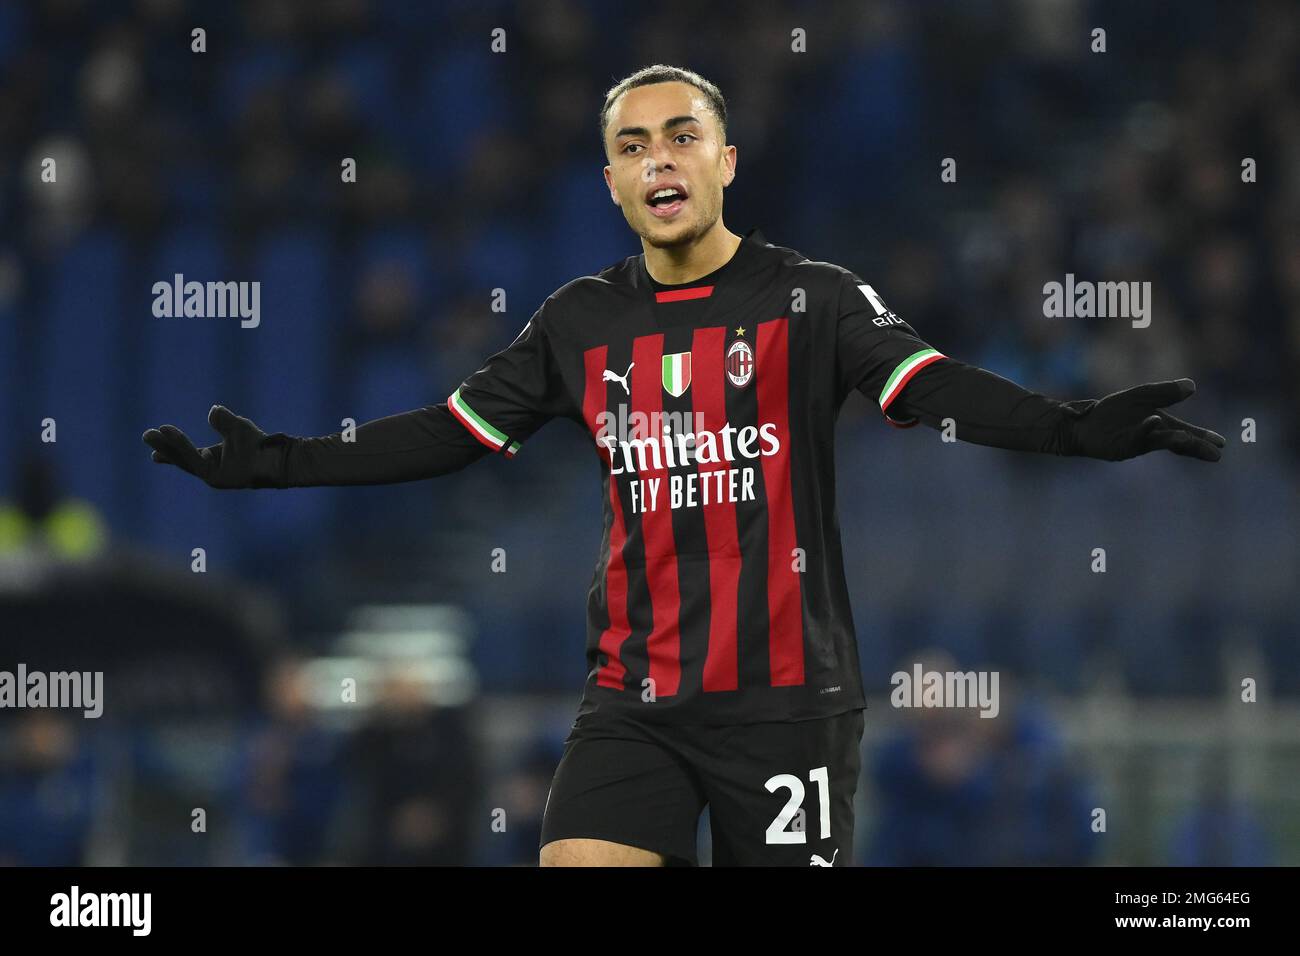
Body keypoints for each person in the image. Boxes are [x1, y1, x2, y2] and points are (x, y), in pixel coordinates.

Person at [144, 65, 1224, 867]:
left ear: (724, 160)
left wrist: (1073, 425)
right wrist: (282, 462)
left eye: (681, 133)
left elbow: (930, 385)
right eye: (631, 143)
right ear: (613, 179)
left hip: (786, 702)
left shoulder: (812, 300)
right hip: (634, 695)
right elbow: (448, 432)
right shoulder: (579, 321)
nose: (657, 155)